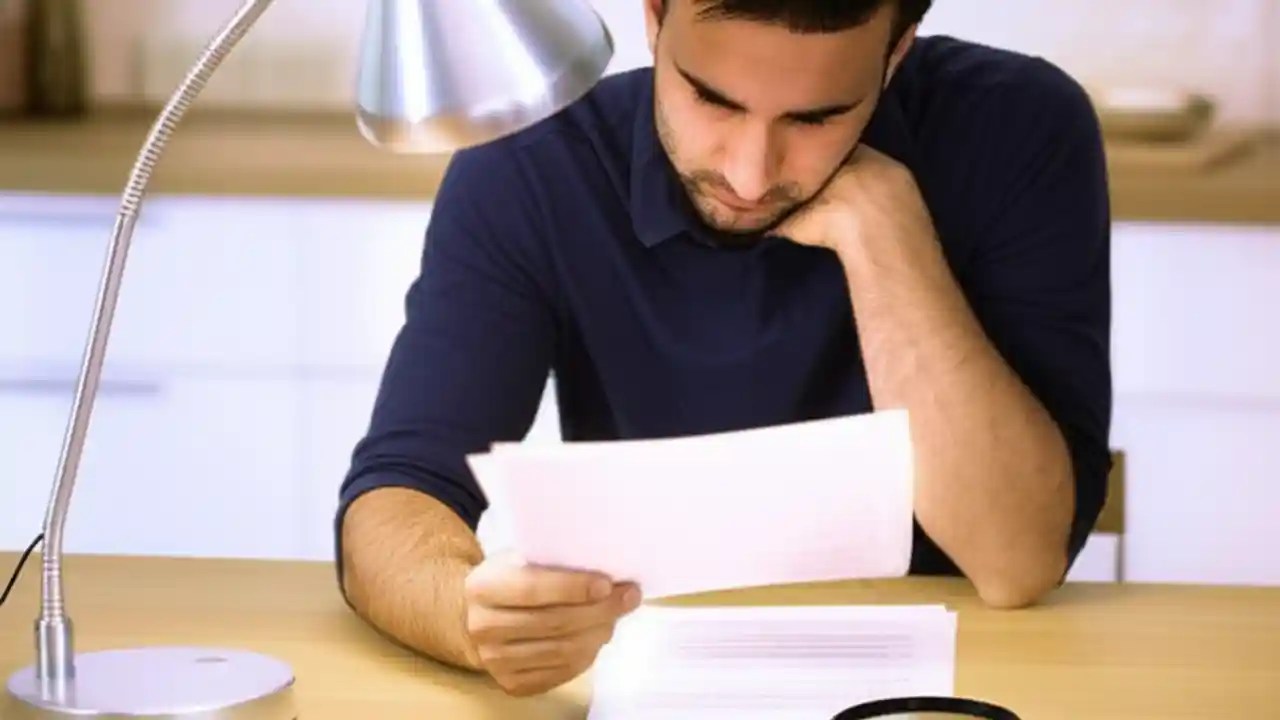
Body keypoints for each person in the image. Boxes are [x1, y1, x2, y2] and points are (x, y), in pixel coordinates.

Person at [335, 0, 1112, 698]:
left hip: (957, 688)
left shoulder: (1020, 126)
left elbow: (1018, 562)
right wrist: (471, 618)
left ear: (897, 52)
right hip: (656, 686)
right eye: (711, 98)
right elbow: (397, 493)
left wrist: (889, 239)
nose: (750, 172)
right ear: (653, 18)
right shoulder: (535, 158)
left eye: (817, 118)